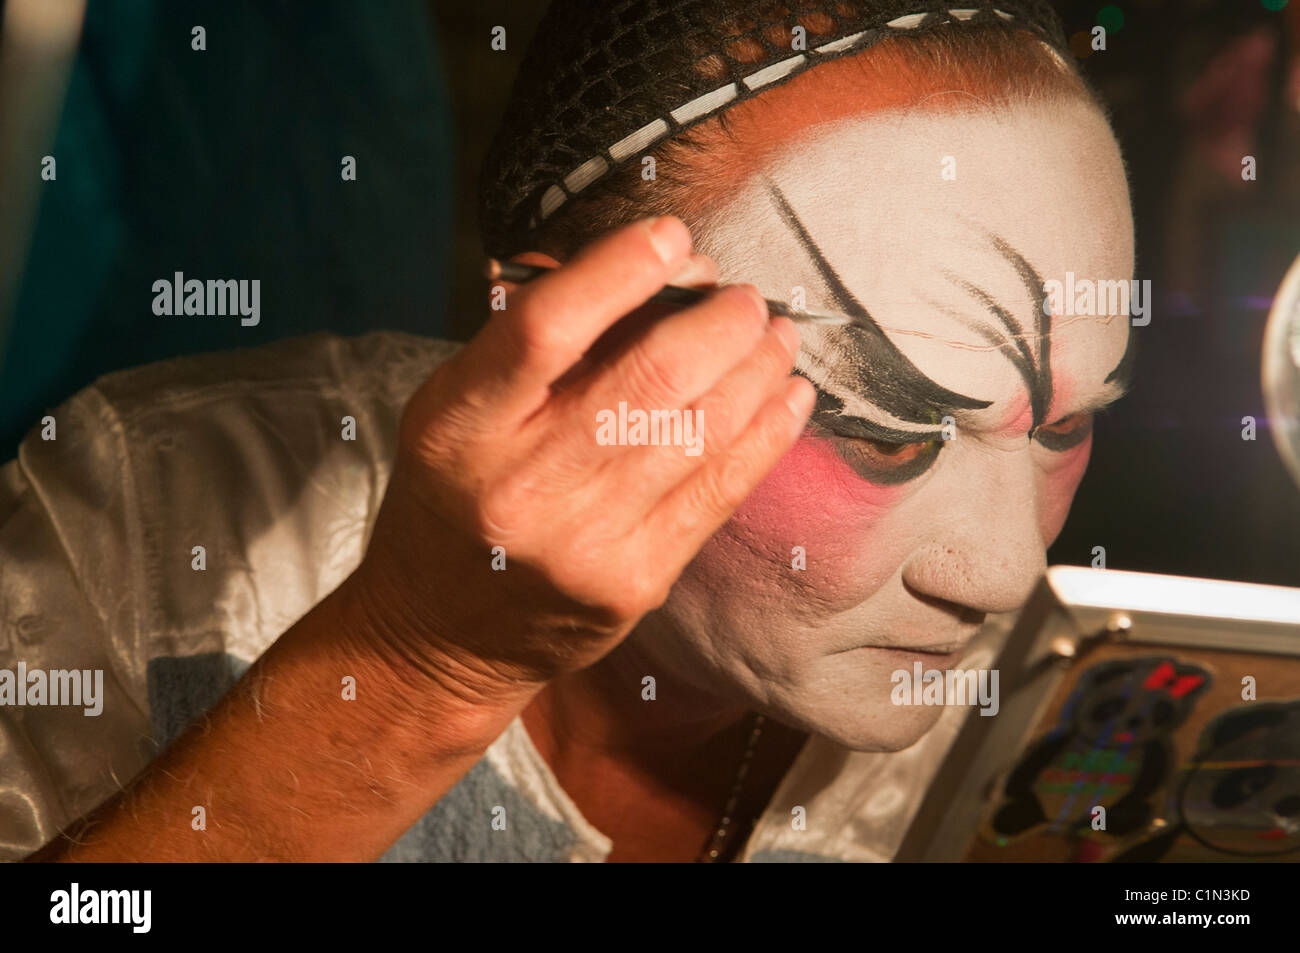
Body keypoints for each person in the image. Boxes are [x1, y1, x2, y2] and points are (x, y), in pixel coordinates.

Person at [3, 0, 1135, 862]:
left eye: (1067, 425)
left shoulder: (1063, 721)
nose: (1002, 575)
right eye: (890, 433)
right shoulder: (161, 508)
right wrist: (420, 659)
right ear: (577, 334)